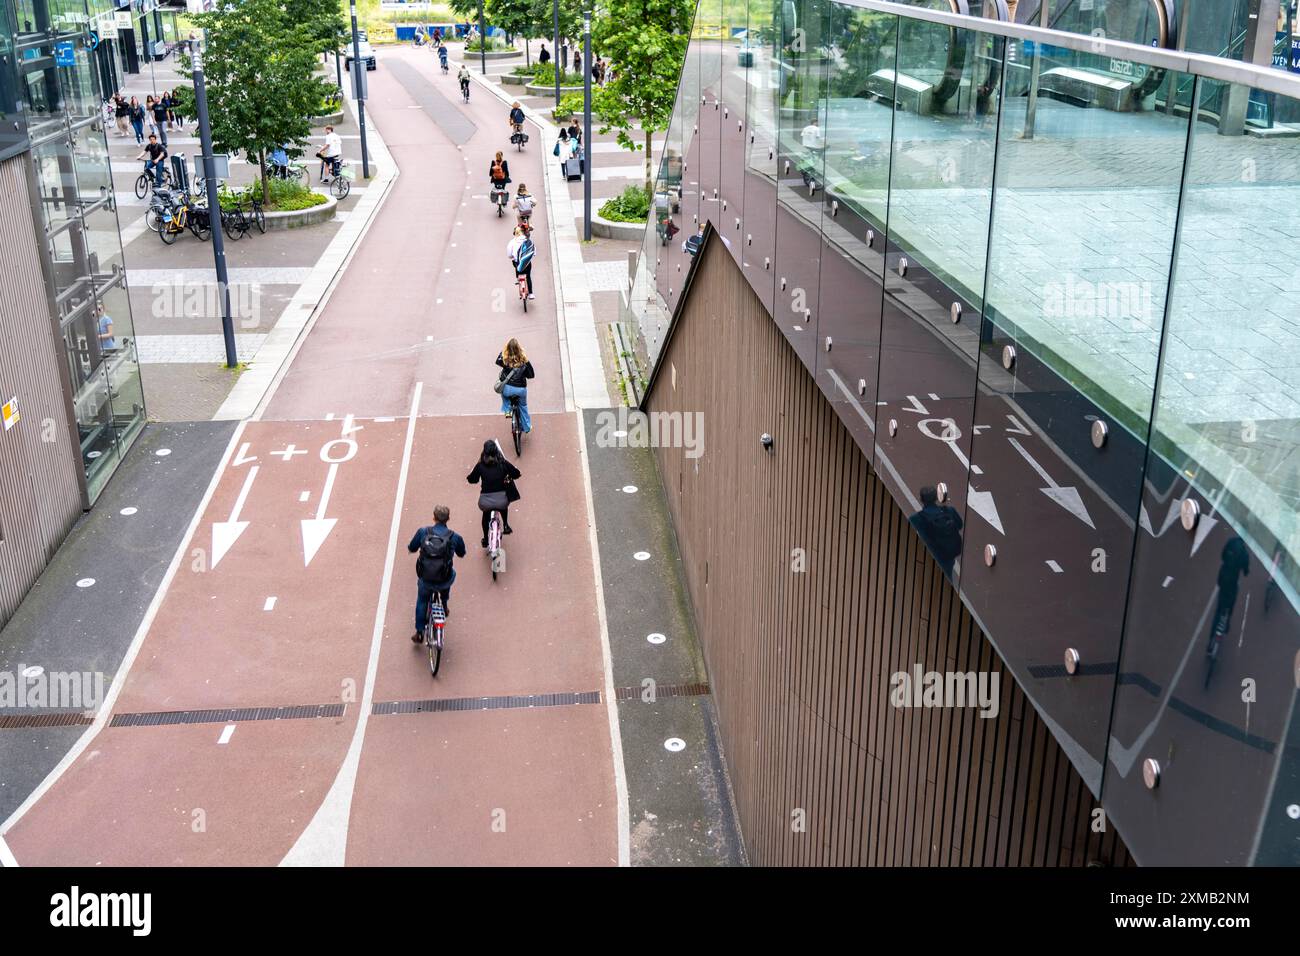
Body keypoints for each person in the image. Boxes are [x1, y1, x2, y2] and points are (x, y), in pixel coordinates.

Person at [407, 504, 467, 640]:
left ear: (433, 517)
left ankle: (419, 632)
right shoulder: (455, 537)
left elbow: (412, 546)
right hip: (443, 578)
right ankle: (444, 605)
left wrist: (411, 549)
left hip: (426, 579)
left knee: (422, 600)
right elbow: (462, 553)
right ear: (448, 518)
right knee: (450, 576)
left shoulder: (423, 532)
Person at [467, 439, 522, 545]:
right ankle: (505, 525)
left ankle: (485, 539)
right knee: (503, 506)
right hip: (502, 500)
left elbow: (472, 480)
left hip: (485, 502)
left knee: (485, 515)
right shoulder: (503, 464)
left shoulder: (480, 466)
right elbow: (516, 473)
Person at [908, 486, 963, 580]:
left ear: (921, 499)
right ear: (937, 497)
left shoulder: (917, 518)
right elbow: (960, 525)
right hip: (948, 554)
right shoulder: (950, 511)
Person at [496, 338, 535, 432]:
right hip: (520, 389)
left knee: (503, 391)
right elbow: (531, 375)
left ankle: (507, 410)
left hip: (507, 389)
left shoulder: (505, 358)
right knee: (523, 406)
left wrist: (504, 352)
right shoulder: (524, 360)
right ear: (519, 348)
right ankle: (526, 427)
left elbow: (497, 361)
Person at [507, 225, 536, 300]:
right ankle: (531, 293)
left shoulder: (512, 242)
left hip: (517, 264)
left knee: (515, 263)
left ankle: (518, 278)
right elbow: (534, 252)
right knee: (528, 276)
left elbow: (509, 255)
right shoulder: (528, 240)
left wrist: (513, 257)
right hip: (527, 264)